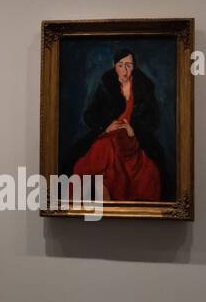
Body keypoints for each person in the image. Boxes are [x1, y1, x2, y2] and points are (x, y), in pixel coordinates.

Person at [64, 49, 167, 201]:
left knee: (150, 173)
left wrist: (134, 130)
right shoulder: (107, 84)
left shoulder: (144, 86)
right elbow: (90, 115)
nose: (125, 70)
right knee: (101, 153)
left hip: (134, 139)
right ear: (114, 66)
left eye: (129, 65)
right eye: (120, 65)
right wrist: (106, 127)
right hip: (110, 135)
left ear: (134, 67)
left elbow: (153, 119)